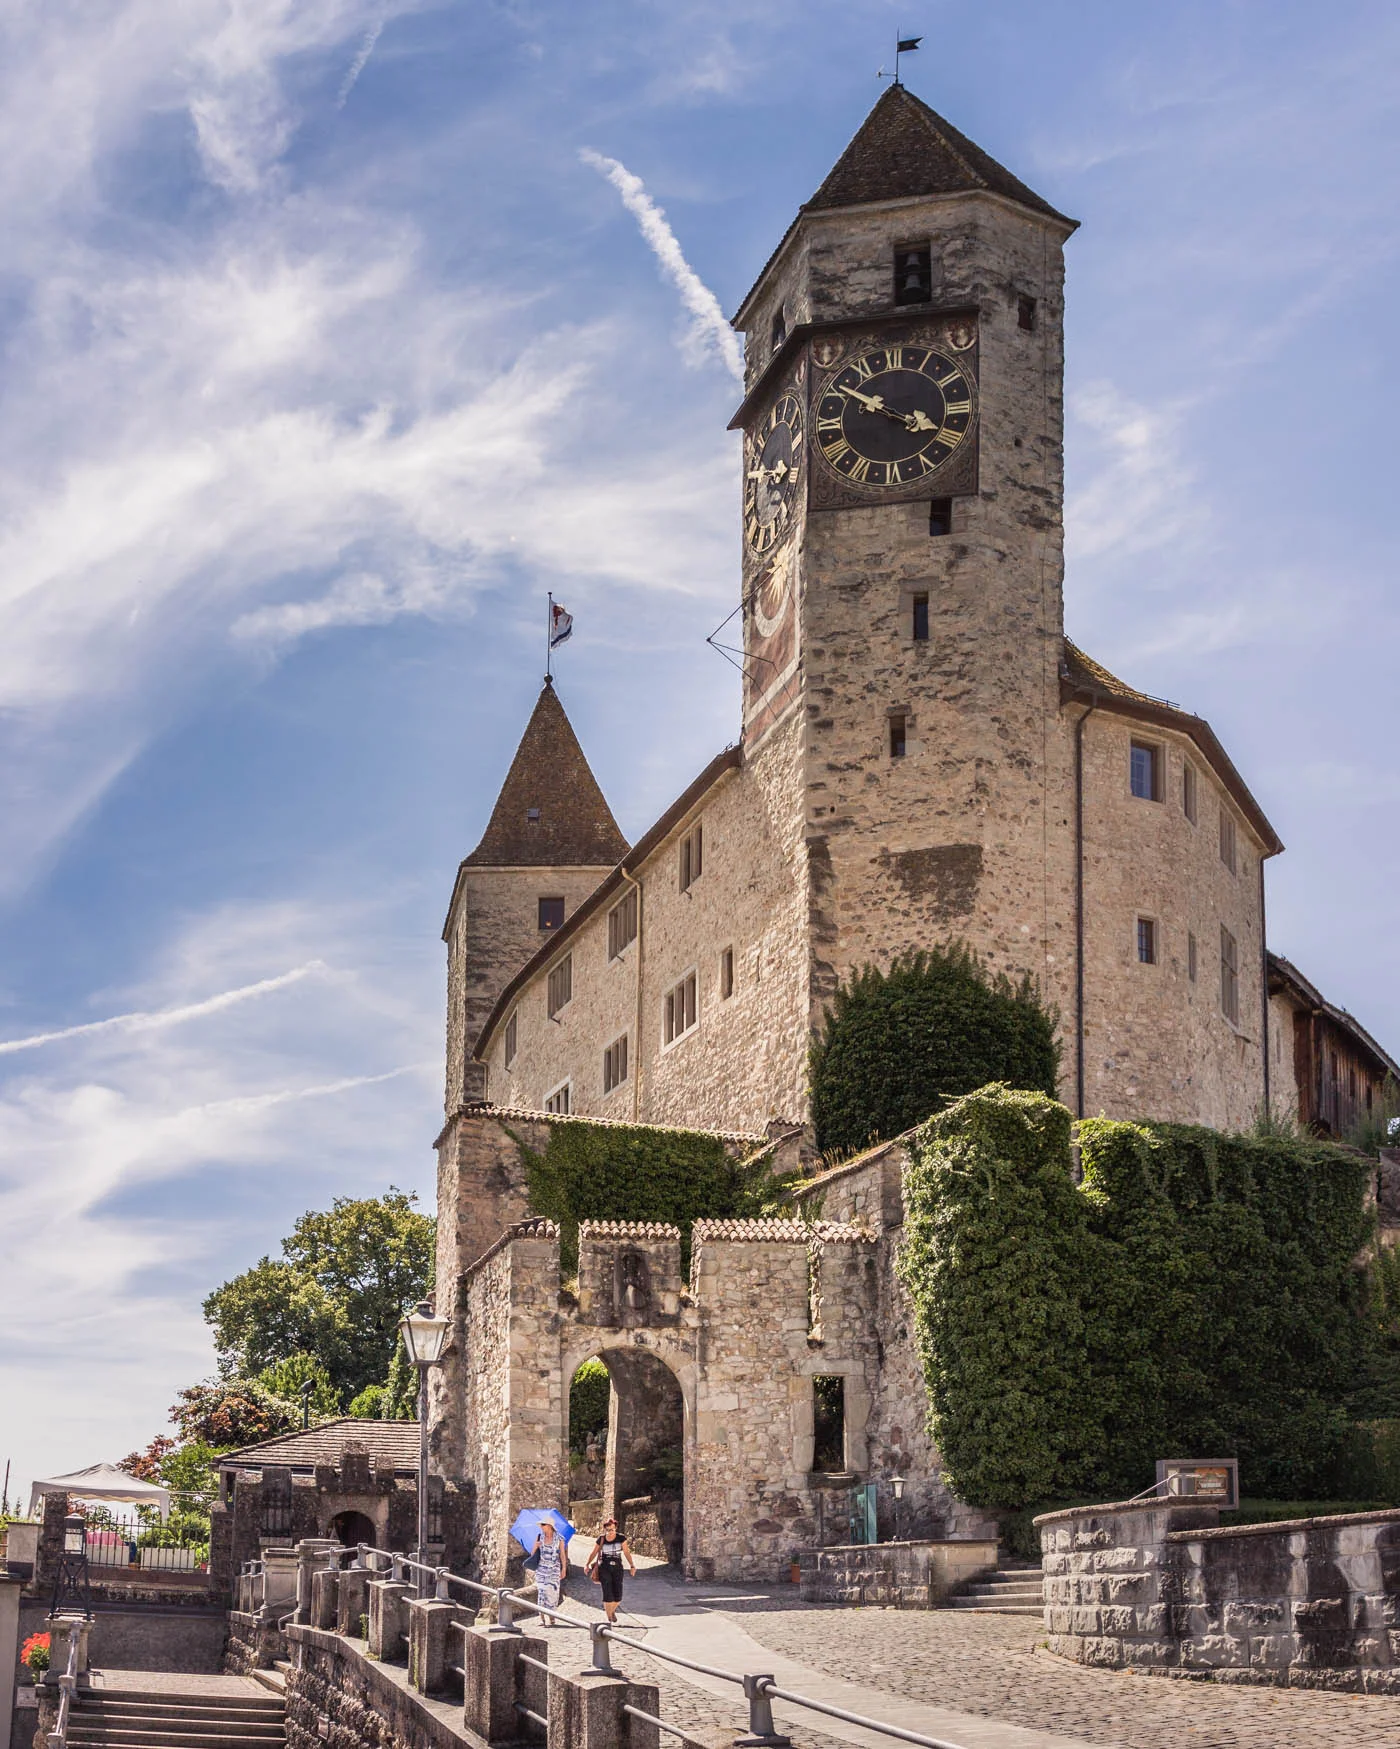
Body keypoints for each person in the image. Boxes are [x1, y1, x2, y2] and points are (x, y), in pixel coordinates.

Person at [585, 1517, 636, 1623]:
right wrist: (587, 1564)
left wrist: (632, 1565)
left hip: (617, 1567)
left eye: (612, 1529)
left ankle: (611, 1610)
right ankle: (609, 1617)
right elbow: (594, 1552)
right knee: (608, 1593)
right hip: (604, 1567)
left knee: (618, 1596)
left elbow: (626, 1552)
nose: (610, 1532)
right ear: (605, 1529)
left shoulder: (621, 1538)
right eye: (608, 1530)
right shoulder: (601, 1539)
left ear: (615, 1528)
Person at [531, 1520, 567, 1621]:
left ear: (550, 1526)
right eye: (541, 1525)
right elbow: (532, 1554)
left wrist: (563, 1569)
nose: (541, 1527)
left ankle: (551, 1615)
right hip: (541, 1569)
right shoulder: (539, 1537)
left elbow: (562, 1555)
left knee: (552, 1594)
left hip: (554, 1569)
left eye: (543, 1525)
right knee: (541, 1592)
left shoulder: (559, 1538)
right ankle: (541, 1616)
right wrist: (536, 1546)